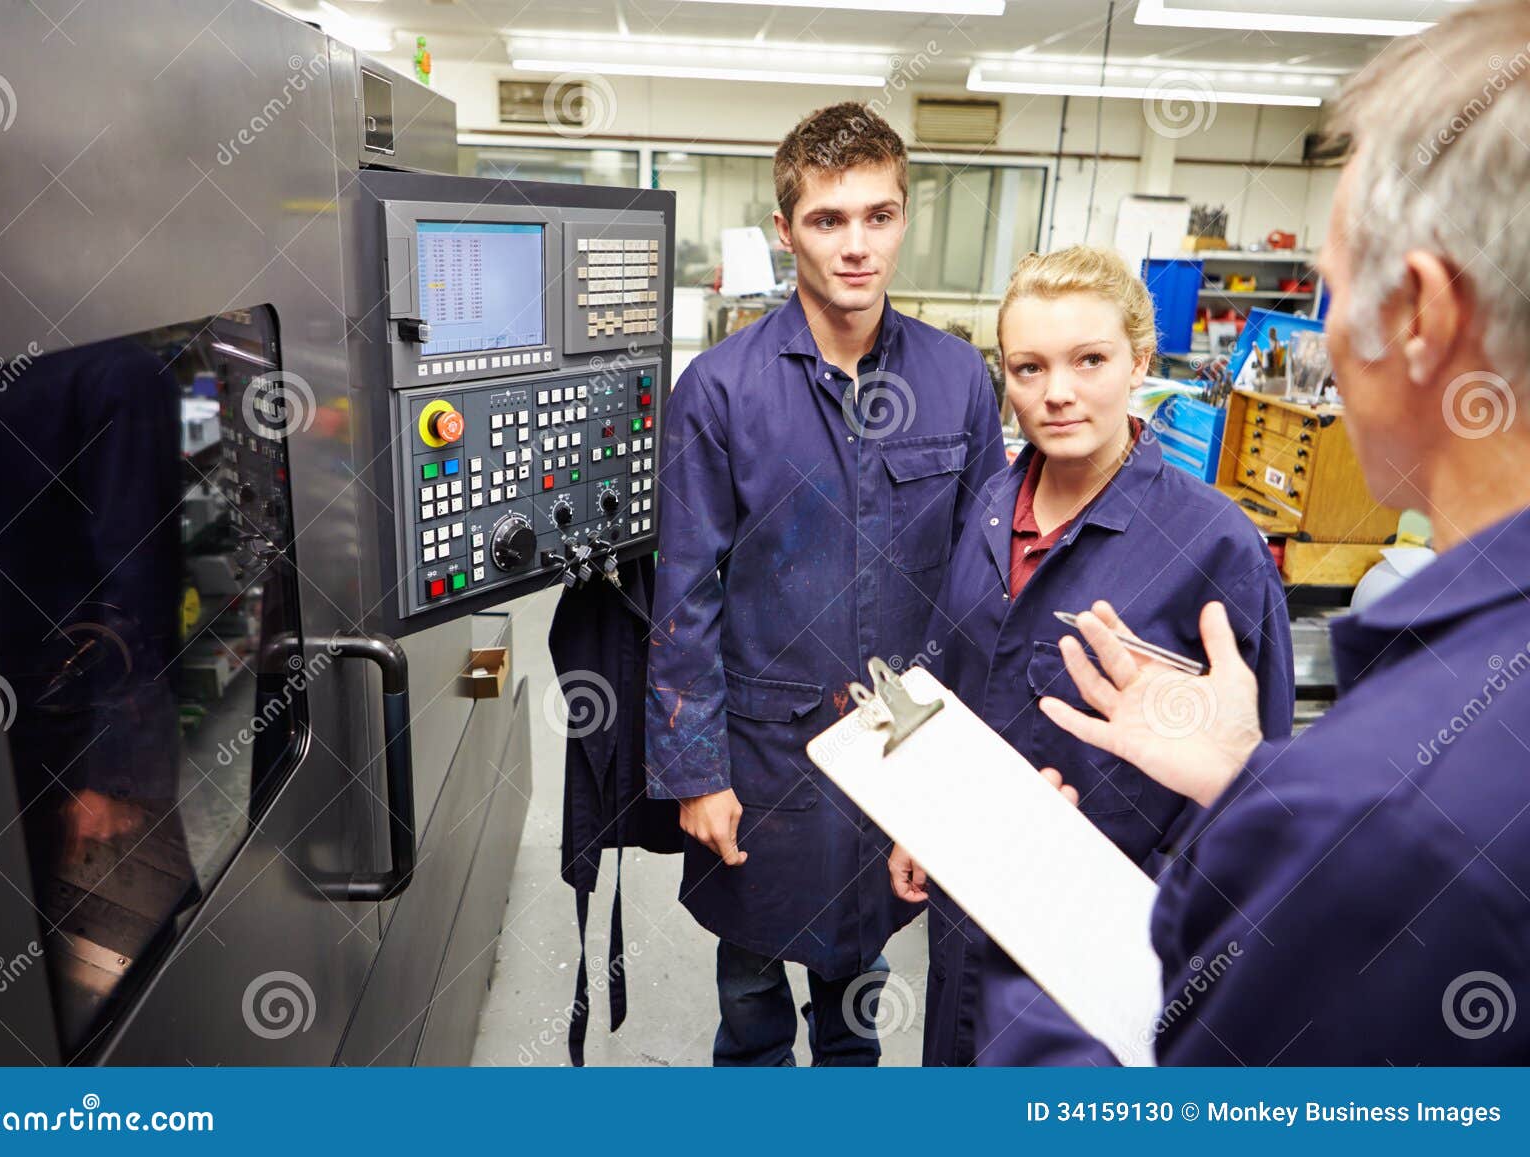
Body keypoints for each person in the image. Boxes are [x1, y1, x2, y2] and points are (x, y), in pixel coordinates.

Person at [1039, 0, 1530, 1063]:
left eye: (1333, 288)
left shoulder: (1386, 804)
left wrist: (1030, 923)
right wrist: (1249, 782)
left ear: (1416, 315)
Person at [645, 102, 1007, 1065]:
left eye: (879, 216)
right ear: (785, 229)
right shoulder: (720, 390)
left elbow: (984, 578)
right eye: (828, 220)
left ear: (904, 216)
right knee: (752, 997)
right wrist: (698, 774)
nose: (857, 246)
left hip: (900, 745)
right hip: (762, 758)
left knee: (861, 993)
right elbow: (685, 591)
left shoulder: (959, 379)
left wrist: (964, 765)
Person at [889, 246, 1294, 1065]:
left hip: (1109, 931)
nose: (1058, 392)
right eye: (1029, 367)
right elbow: (955, 683)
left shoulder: (1216, 546)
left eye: (1090, 360)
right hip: (972, 903)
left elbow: (1263, 784)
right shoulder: (991, 506)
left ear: (1141, 359)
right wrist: (924, 819)